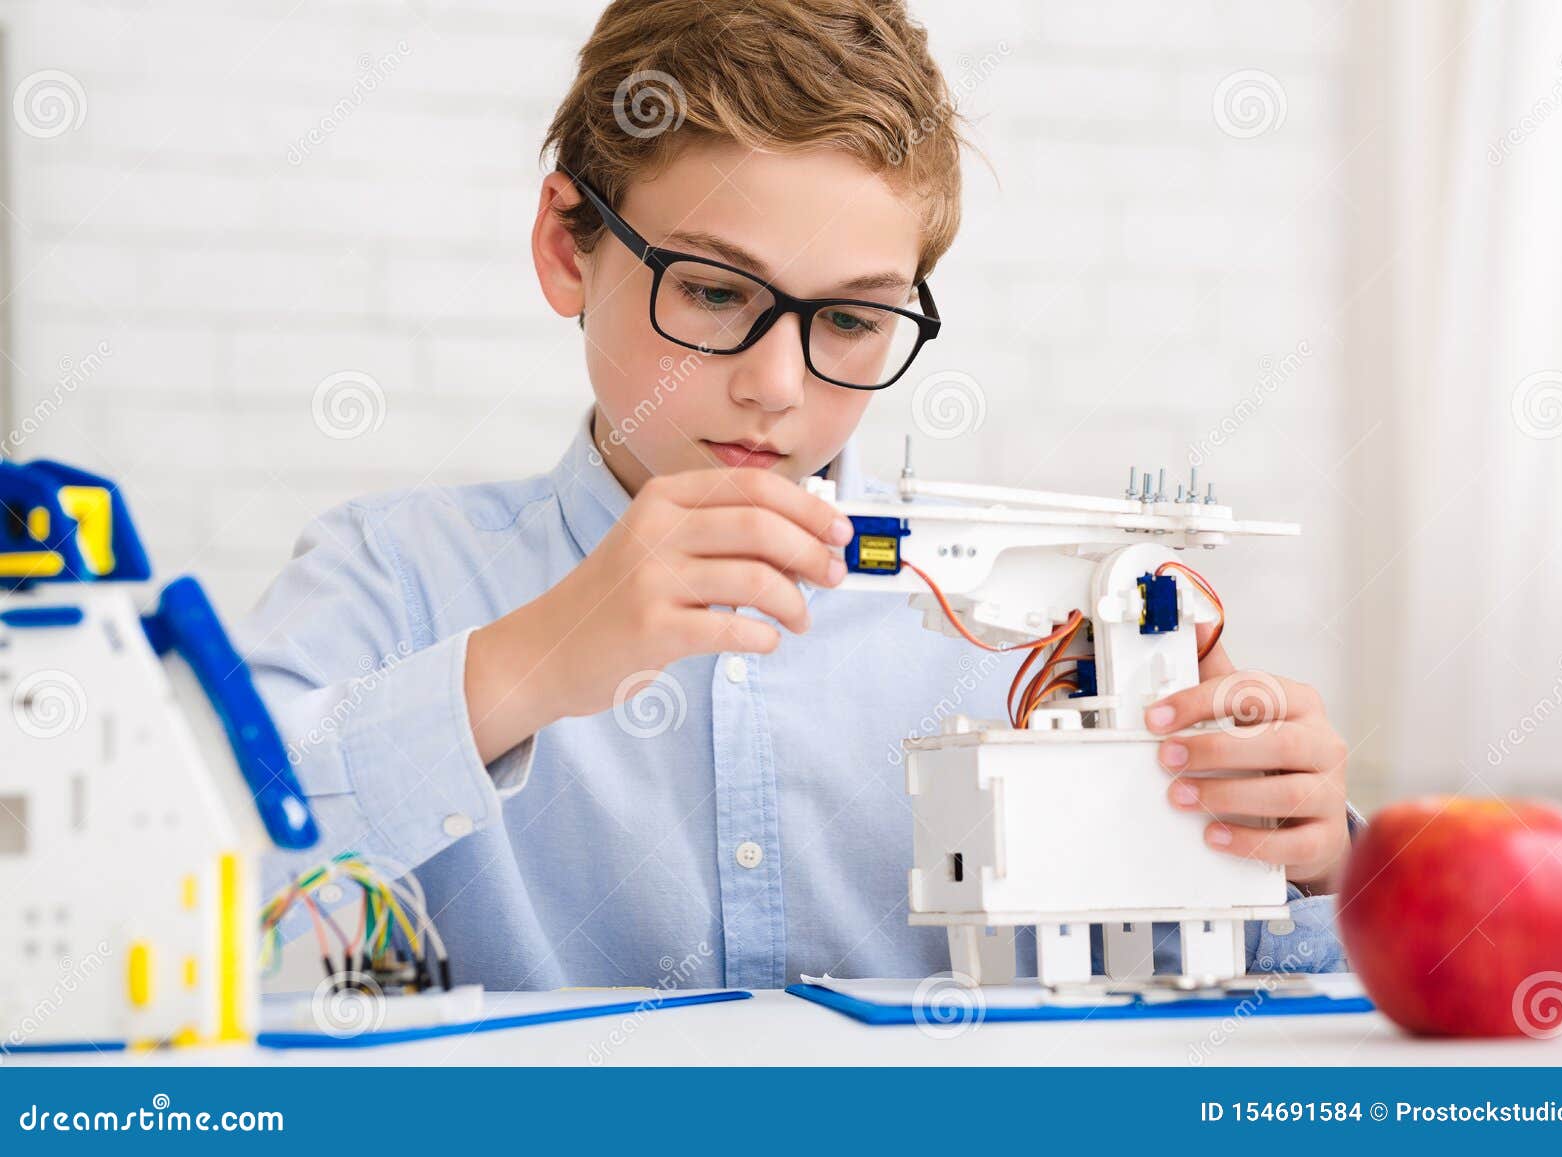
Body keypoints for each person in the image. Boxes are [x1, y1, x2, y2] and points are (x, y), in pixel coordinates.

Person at [239, 0, 1356, 990]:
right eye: (714, 292)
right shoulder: (393, 575)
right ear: (567, 249)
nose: (775, 385)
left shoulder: (1031, 622)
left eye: (853, 318)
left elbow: (1201, 1006)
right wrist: (532, 659)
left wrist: (1311, 862)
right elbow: (206, 868)